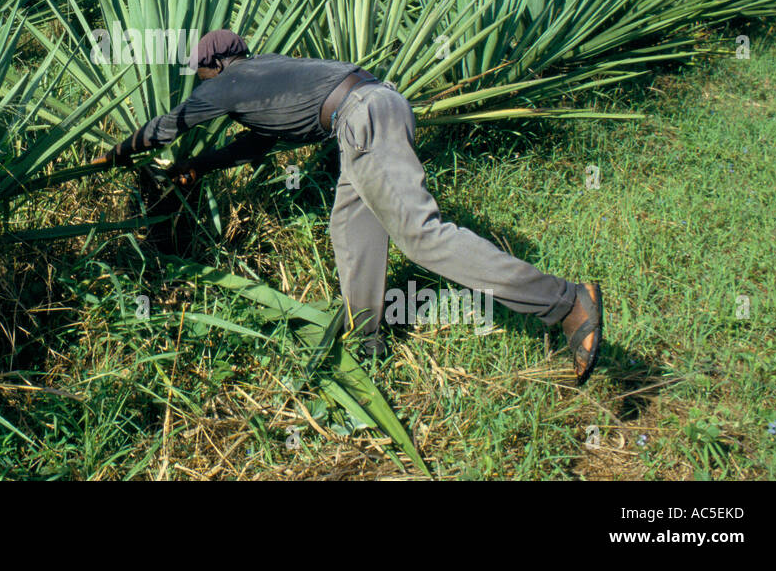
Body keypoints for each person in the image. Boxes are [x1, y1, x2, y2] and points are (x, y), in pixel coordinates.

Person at [92, 29, 603, 382]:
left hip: (363, 119)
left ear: (215, 64)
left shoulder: (228, 83)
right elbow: (256, 144)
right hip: (370, 112)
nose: (201, 82)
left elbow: (170, 124)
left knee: (423, 237)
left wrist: (117, 153)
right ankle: (368, 339)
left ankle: (565, 302)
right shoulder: (265, 75)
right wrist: (202, 168)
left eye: (200, 74)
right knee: (352, 232)